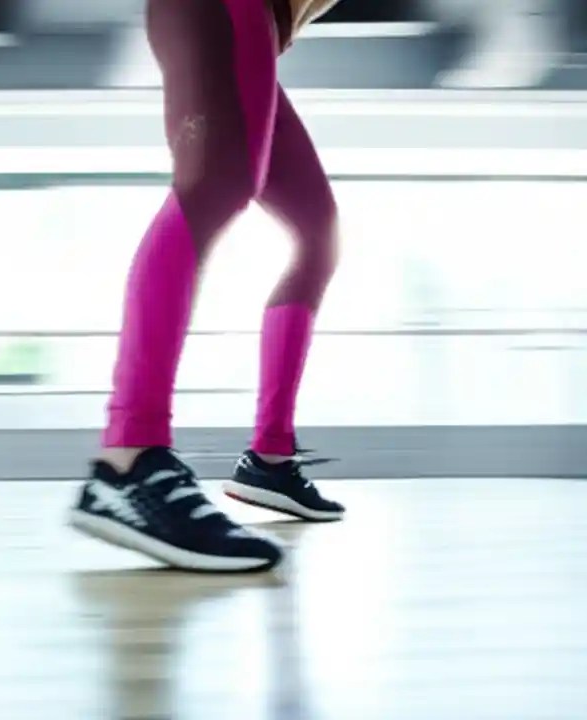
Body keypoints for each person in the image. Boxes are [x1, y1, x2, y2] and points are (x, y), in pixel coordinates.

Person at [71, 0, 348, 572]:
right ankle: (130, 458)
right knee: (214, 189)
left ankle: (269, 461)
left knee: (316, 232)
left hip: (256, 25)